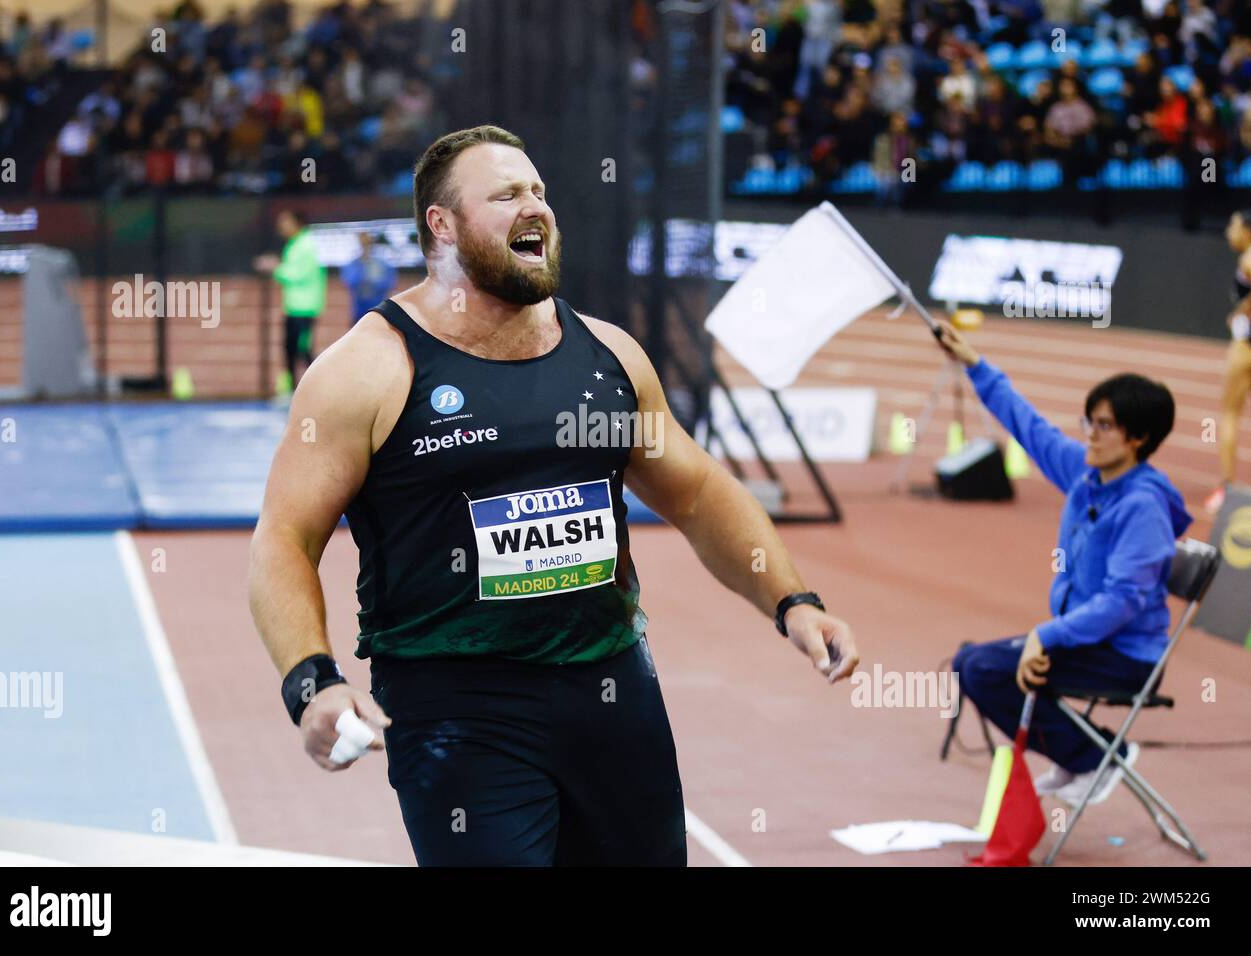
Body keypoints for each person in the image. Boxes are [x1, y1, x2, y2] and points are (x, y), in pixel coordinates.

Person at [247, 125, 860, 866]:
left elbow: (697, 495)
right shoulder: (367, 372)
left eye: (539, 191)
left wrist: (792, 601)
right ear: (442, 226)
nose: (535, 205)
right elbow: (285, 538)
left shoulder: (606, 358)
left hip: (612, 691)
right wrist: (312, 681)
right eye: (506, 194)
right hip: (458, 713)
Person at [937, 320, 1189, 808]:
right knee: (972, 662)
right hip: (1088, 641)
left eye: (1105, 426)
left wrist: (1046, 635)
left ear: (1138, 438)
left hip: (1126, 658)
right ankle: (1082, 755)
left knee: (985, 669)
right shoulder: (1085, 472)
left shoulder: (1143, 506)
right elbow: (1030, 428)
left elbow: (1122, 601)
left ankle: (1094, 757)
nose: (1091, 435)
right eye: (1088, 422)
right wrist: (974, 363)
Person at [1205, 210, 1251, 515]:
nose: (1229, 232)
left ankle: (1226, 486)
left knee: (1229, 414)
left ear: (1249, 230)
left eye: (1234, 226)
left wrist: (1242, 309)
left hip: (1248, 345)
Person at [254, 209, 326, 392]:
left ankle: (320, 389)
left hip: (304, 308)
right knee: (291, 350)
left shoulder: (306, 245)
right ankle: (294, 390)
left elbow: (297, 274)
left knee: (302, 350)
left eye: (285, 221)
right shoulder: (296, 244)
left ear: (297, 223)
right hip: (295, 307)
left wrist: (274, 268)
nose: (281, 226)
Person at [339, 230, 398, 326]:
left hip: (379, 311)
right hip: (359, 311)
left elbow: (389, 283)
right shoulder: (354, 264)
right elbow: (349, 282)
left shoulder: (382, 264)